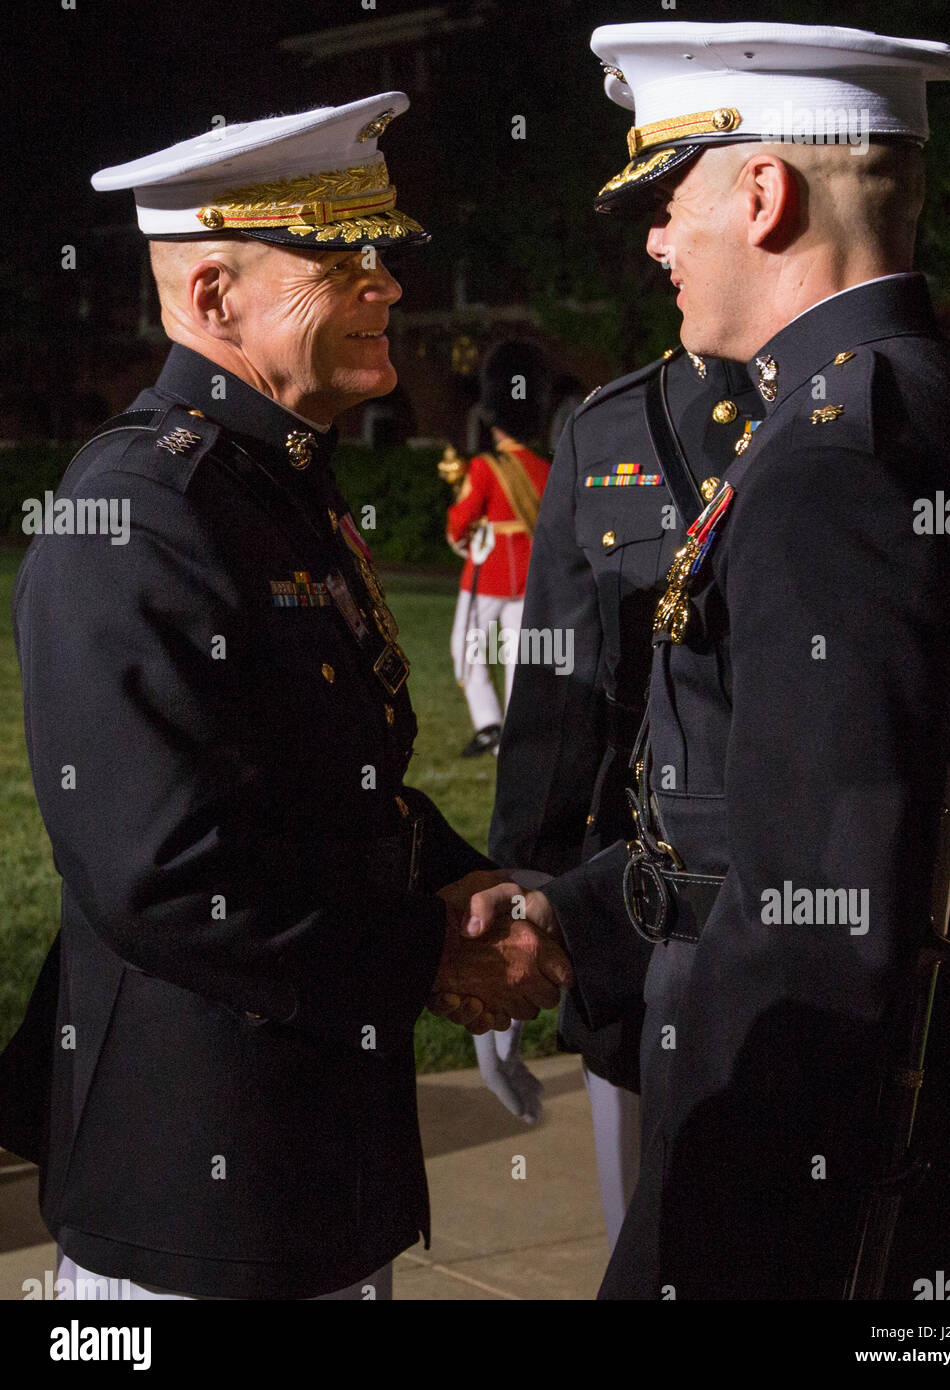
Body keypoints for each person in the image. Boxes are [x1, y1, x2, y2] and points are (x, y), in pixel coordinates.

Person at [467, 22, 950, 1299]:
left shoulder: (825, 460)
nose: (658, 245)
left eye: (669, 204)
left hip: (816, 1175)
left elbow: (813, 923)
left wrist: (696, 1233)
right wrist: (577, 909)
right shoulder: (917, 399)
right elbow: (789, 822)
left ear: (763, 193)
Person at [0, 94, 571, 1302]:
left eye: (381, 254)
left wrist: (453, 877)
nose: (386, 286)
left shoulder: (271, 481)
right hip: (196, 1201)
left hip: (303, 1168)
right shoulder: (145, 515)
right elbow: (168, 872)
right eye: (339, 260)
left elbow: (329, 782)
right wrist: (428, 956)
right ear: (212, 297)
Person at [490, 347, 760, 1235]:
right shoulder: (607, 429)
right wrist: (522, 904)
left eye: (675, 205)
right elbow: (555, 704)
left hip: (822, 931)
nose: (657, 240)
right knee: (643, 1239)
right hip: (638, 914)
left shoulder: (868, 397)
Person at [446, 343, 551, 759]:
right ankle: (517, 733)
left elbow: (461, 521)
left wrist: (460, 529)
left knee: (466, 648)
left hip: (487, 575)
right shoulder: (545, 467)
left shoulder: (485, 466)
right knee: (518, 657)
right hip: (529, 575)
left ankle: (489, 724)